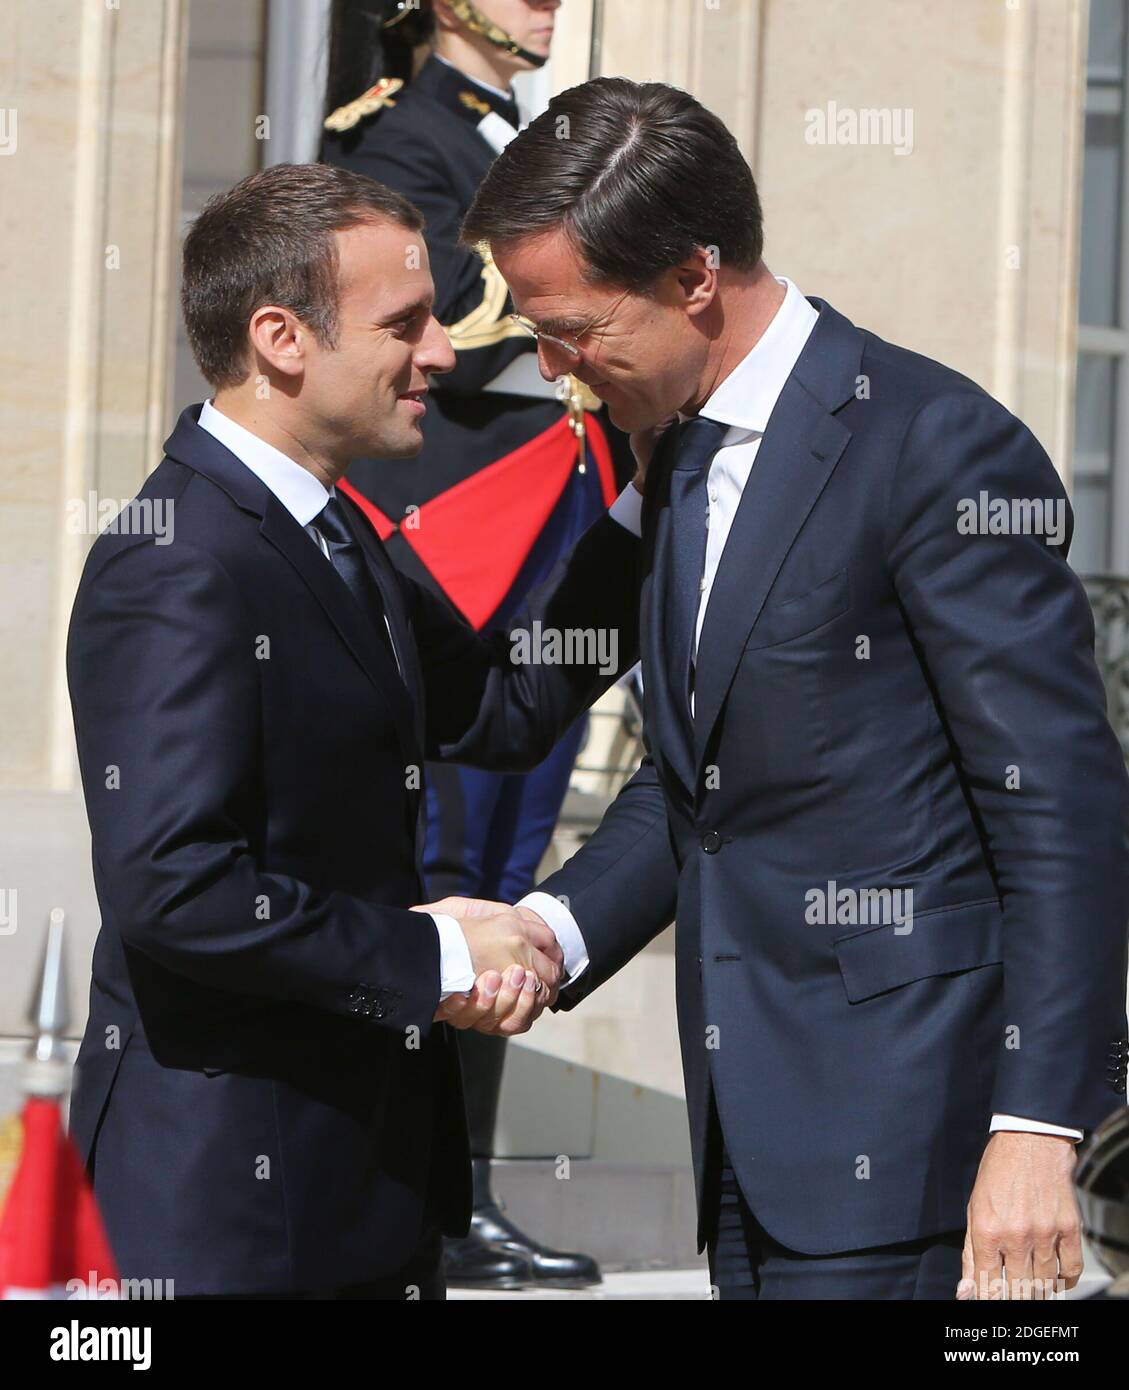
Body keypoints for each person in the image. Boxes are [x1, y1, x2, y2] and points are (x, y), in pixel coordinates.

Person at [441, 76, 1129, 1300]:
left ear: (695, 278)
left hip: (912, 1152)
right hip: (745, 1157)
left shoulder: (933, 446)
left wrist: (1036, 1126)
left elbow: (1062, 812)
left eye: (573, 329)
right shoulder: (670, 454)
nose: (553, 369)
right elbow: (700, 786)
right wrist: (550, 931)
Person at [65, 161, 641, 1299]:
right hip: (228, 1205)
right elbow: (172, 885)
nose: (441, 353)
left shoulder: (337, 528)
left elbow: (499, 707)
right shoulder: (172, 558)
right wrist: (431, 955)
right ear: (282, 337)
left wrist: (646, 503)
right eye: (407, 322)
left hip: (360, 1186)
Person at [321, 0, 615, 1288]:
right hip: (460, 541)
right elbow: (460, 318)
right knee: (439, 862)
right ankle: (423, 1196)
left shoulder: (529, 134)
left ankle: (462, 1195)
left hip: (547, 533)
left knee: (505, 863)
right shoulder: (397, 134)